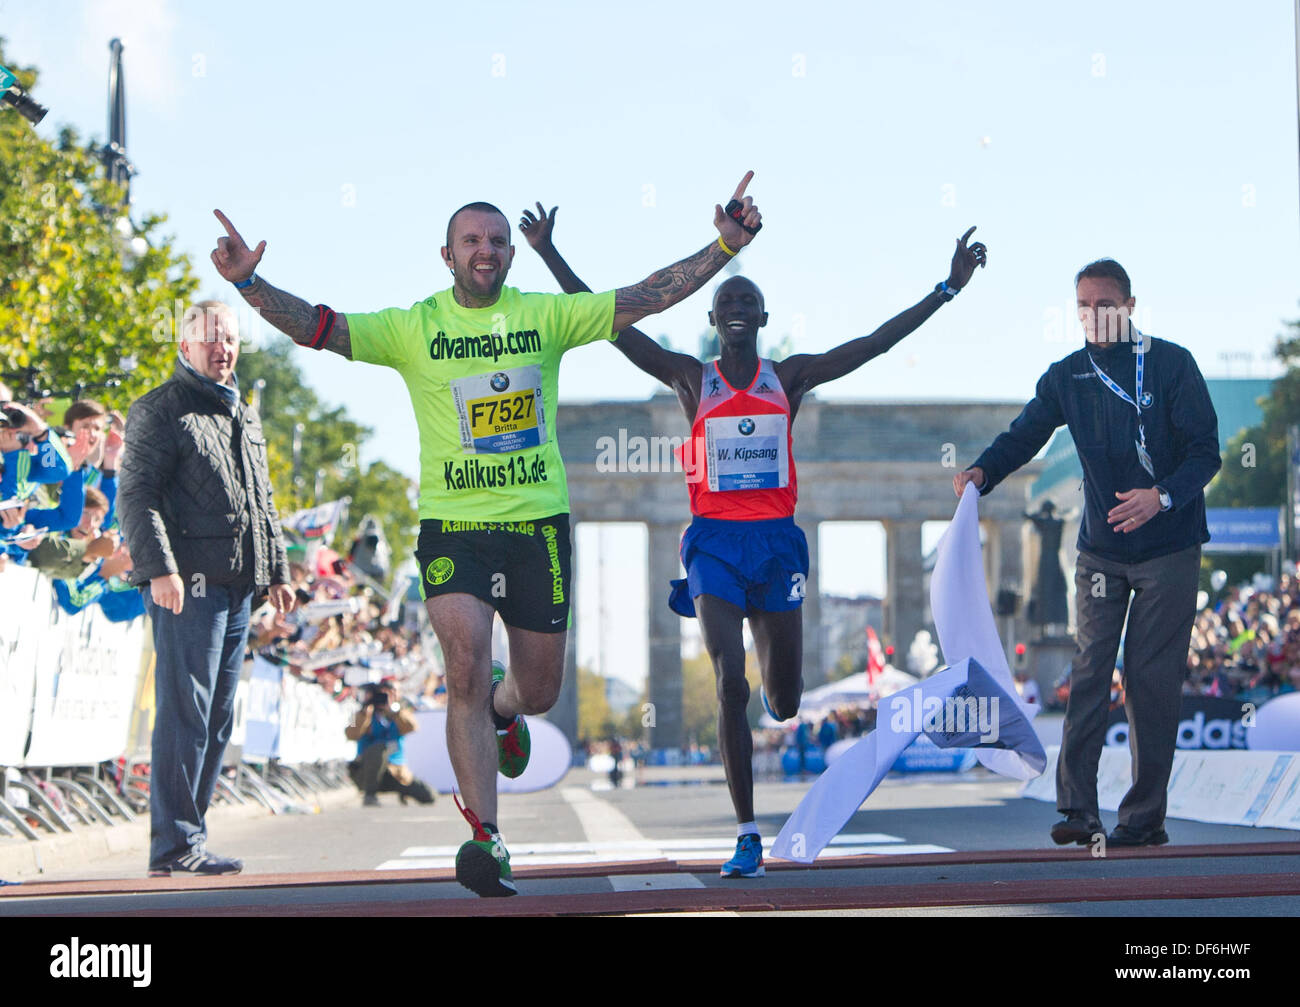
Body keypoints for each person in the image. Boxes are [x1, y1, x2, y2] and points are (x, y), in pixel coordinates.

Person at [209, 173, 763, 897]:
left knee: (535, 688)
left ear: (510, 255)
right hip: (455, 528)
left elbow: (647, 294)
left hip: (537, 527)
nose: (487, 249)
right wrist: (254, 286)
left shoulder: (548, 316)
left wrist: (725, 245)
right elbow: (321, 327)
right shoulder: (415, 326)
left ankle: (508, 712)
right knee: (463, 668)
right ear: (446, 254)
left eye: (499, 241)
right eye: (472, 239)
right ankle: (487, 839)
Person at [521, 203, 986, 877]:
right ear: (713, 322)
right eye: (726, 301)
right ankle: (745, 829)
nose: (737, 308)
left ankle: (780, 694)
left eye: (749, 301)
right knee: (728, 681)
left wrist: (946, 289)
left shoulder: (789, 377)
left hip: (775, 544)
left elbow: (875, 343)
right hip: (713, 543)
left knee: (786, 697)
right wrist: (549, 252)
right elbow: (611, 325)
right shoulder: (690, 377)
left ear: (761, 320)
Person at [954, 259, 1220, 848]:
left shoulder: (1173, 364)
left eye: (1105, 304)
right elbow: (1025, 434)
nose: (1093, 316)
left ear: (1129, 305)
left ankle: (1143, 819)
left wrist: (1163, 496)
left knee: (1151, 683)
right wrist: (982, 471)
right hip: (1100, 552)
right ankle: (1078, 809)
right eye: (1082, 305)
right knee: (1090, 669)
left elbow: (1207, 452)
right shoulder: (1067, 377)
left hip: (1169, 549)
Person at [118, 300, 296, 877]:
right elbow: (136, 496)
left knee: (218, 717)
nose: (223, 347)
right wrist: (160, 569)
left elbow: (261, 499)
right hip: (187, 586)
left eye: (231, 338)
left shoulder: (243, 410)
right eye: (211, 338)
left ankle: (189, 837)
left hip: (238, 586)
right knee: (185, 713)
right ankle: (174, 845)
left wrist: (279, 572)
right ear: (185, 344)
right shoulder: (159, 410)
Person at [345, 681, 435, 806]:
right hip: (366, 771)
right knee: (379, 748)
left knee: (429, 796)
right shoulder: (357, 714)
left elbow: (413, 726)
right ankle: (369, 795)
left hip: (395, 772)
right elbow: (350, 734)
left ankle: (403, 792)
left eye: (387, 695)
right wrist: (365, 713)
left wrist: (393, 710)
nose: (382, 698)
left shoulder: (399, 712)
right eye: (380, 695)